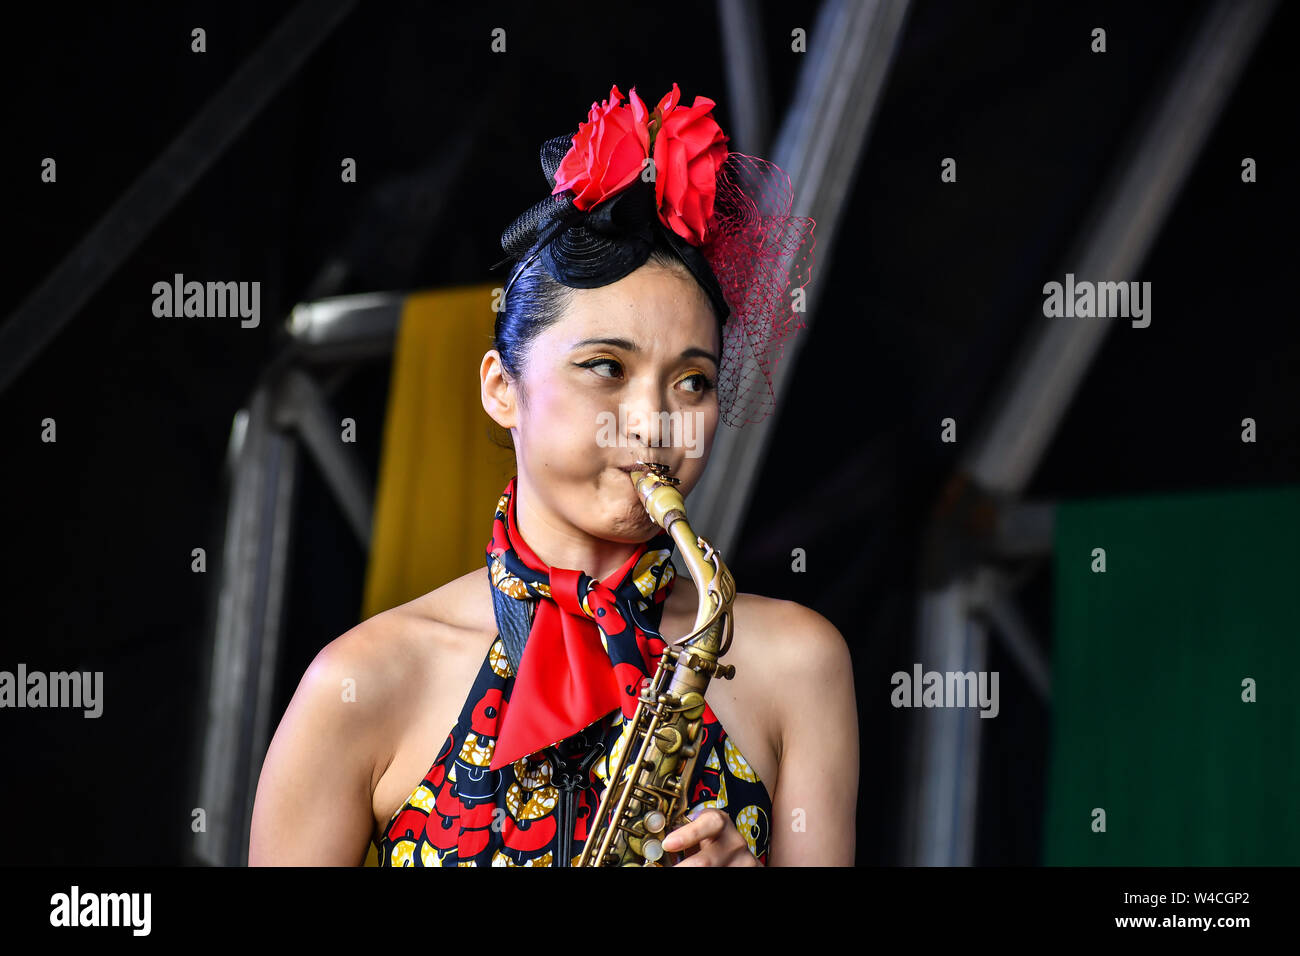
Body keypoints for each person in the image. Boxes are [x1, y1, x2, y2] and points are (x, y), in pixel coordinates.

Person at [249, 82, 858, 867]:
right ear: (503, 389)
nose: (652, 424)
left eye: (693, 381)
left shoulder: (801, 664)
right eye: (606, 367)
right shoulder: (359, 682)